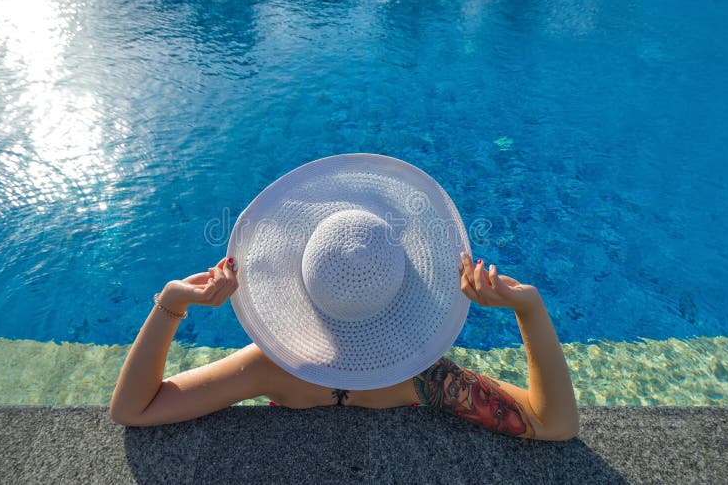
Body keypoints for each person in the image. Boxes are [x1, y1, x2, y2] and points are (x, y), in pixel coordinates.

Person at [109, 154, 579, 441]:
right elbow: (554, 423)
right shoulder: (422, 375)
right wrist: (529, 309)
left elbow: (133, 409)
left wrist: (171, 305)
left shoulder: (272, 365)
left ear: (303, 275)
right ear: (409, 281)